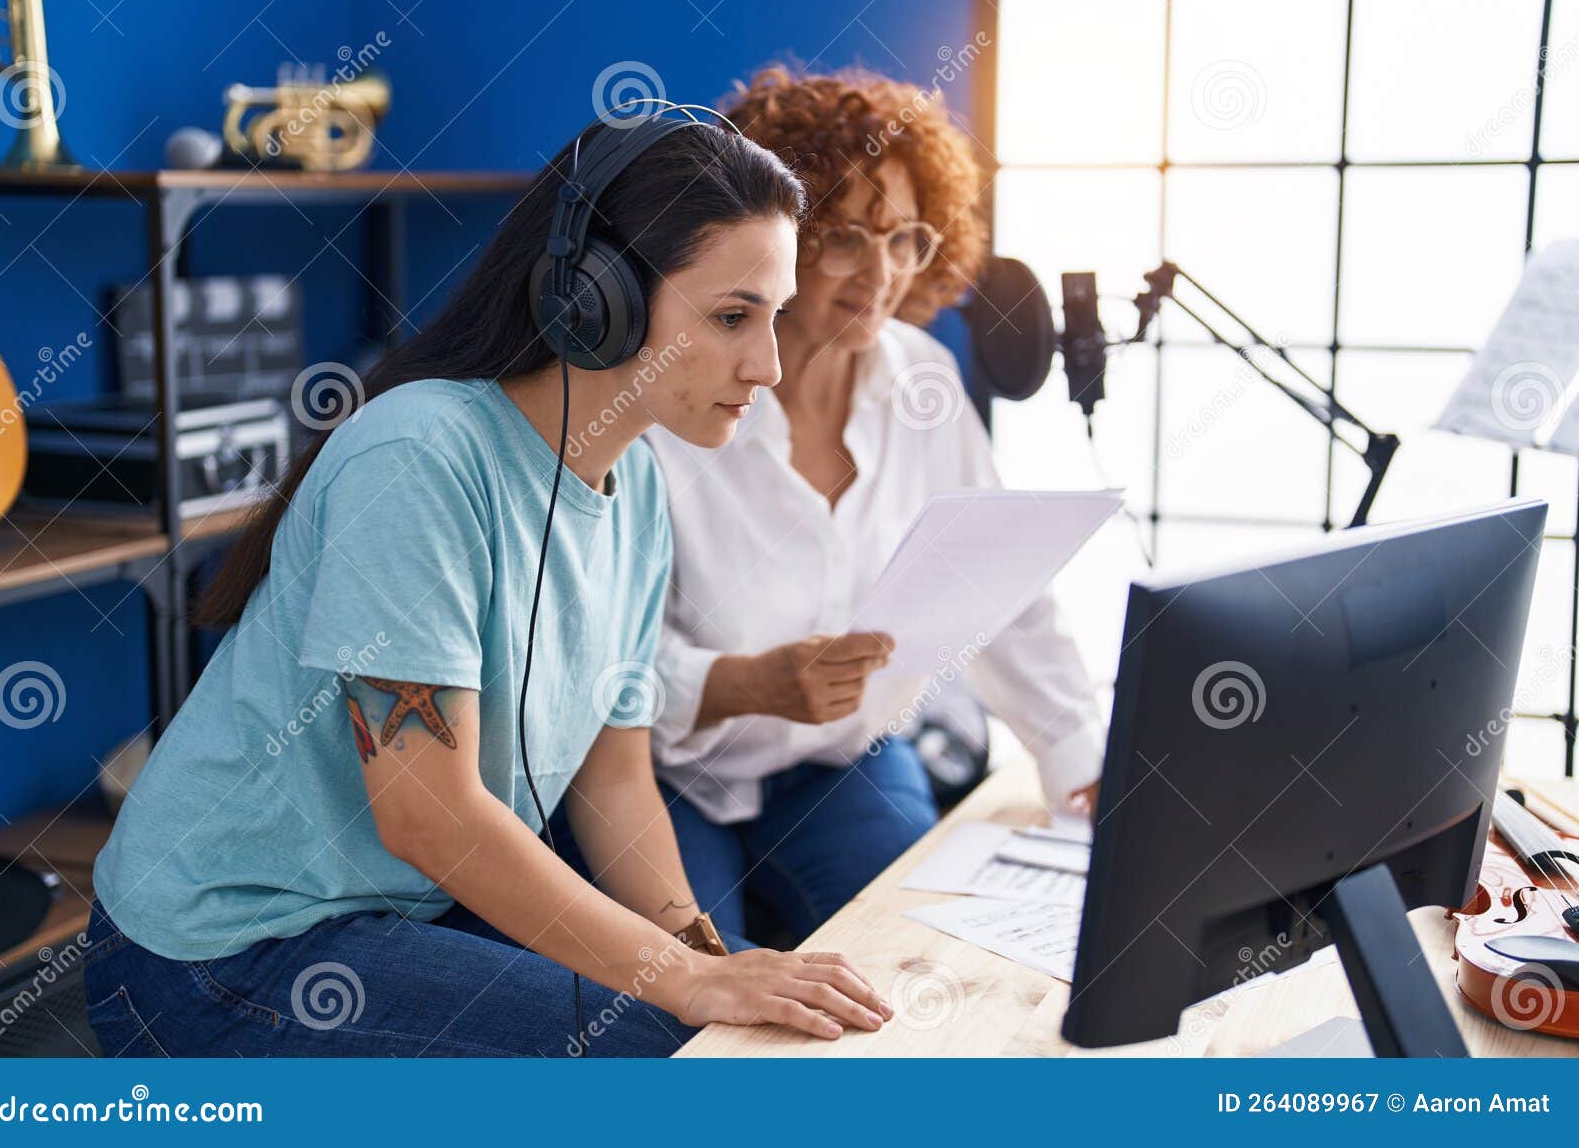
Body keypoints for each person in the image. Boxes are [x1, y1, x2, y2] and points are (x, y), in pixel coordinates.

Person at [83, 109, 894, 1058]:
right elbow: (428, 813)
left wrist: (702, 953)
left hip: (397, 915)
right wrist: (686, 984)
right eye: (730, 316)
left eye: (774, 316)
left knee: (751, 1030)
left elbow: (616, 777)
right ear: (600, 296)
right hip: (215, 955)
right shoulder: (420, 456)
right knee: (665, 1050)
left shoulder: (635, 490)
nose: (767, 364)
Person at [641, 69, 1105, 943]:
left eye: (906, 239)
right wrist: (745, 683)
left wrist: (1077, 756)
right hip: (672, 771)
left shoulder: (921, 377)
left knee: (915, 953)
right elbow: (594, 659)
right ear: (774, 238)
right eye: (846, 238)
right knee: (696, 1005)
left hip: (840, 761)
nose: (882, 274)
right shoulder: (675, 397)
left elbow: (999, 583)